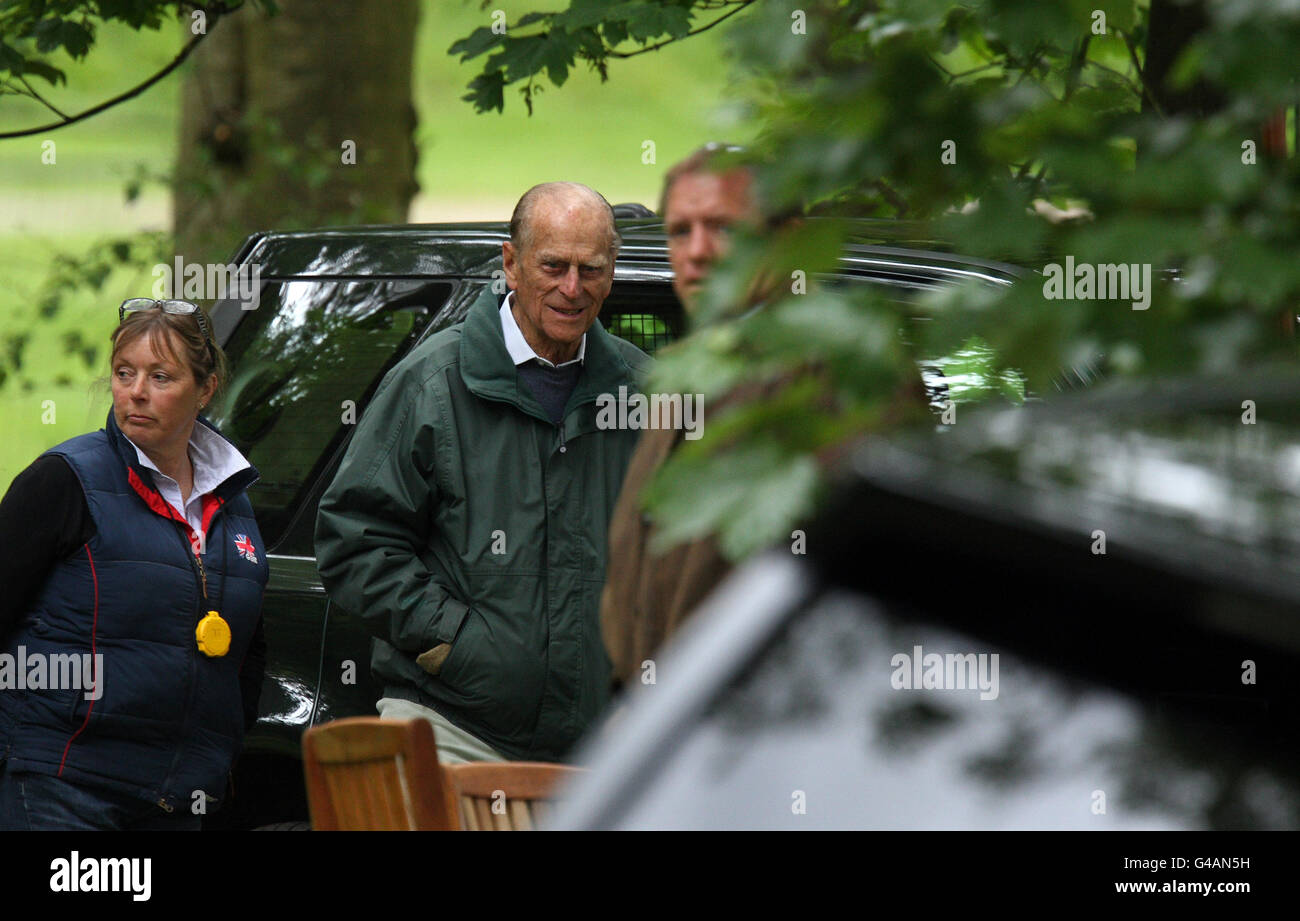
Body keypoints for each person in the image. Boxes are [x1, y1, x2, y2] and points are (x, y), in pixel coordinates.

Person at [315, 181, 652, 764]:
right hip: (454, 729)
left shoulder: (647, 394)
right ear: (511, 264)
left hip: (607, 748)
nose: (572, 288)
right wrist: (456, 644)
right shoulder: (431, 383)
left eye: (590, 269)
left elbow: (688, 556)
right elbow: (354, 543)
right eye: (553, 265)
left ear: (611, 273)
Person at [0, 299, 268, 830]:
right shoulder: (64, 480)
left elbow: (247, 652)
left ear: (207, 388)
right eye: (125, 374)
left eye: (161, 376)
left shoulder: (234, 502)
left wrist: (223, 755)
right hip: (63, 786)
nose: (136, 393)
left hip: (177, 797)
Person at [600, 145, 765, 691]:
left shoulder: (832, 375)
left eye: (723, 228)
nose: (698, 252)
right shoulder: (675, 376)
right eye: (679, 231)